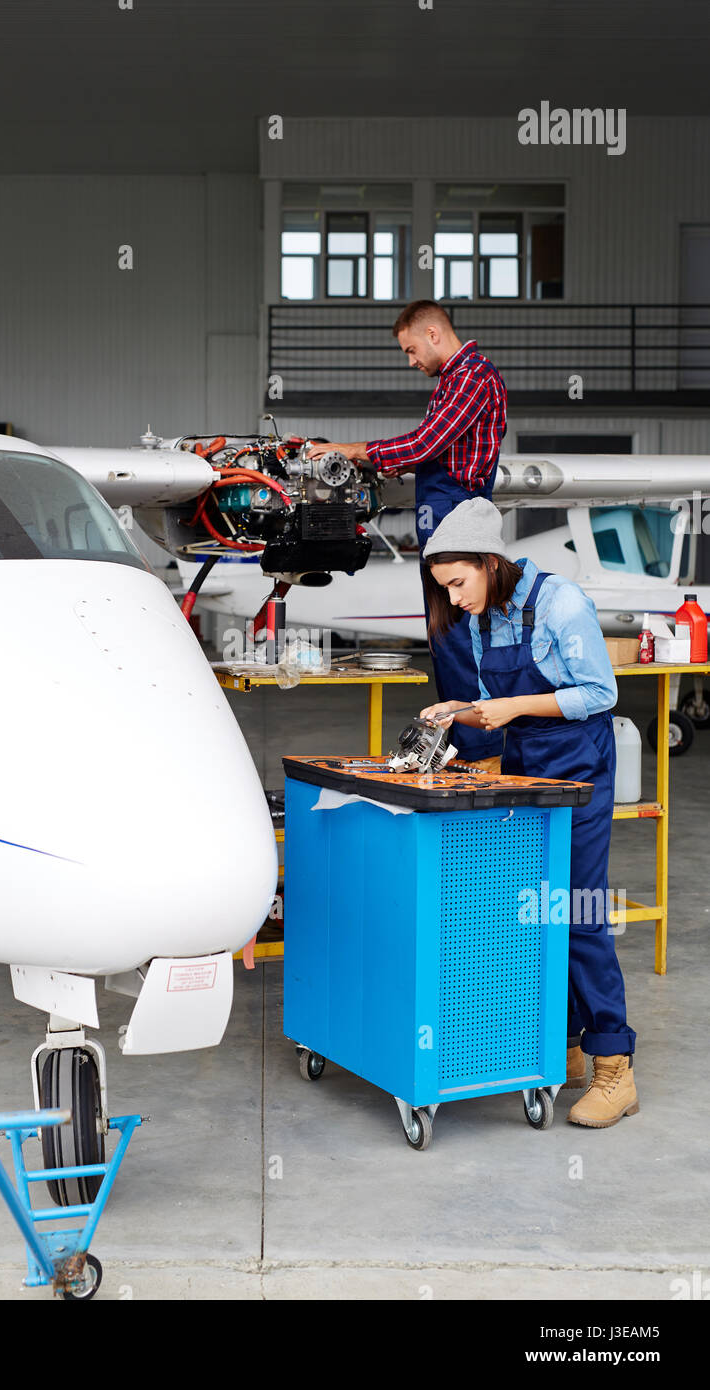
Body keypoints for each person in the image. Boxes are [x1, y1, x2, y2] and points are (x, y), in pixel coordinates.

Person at [419, 496, 638, 1128]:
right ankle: (564, 1046)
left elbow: (601, 693)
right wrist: (456, 711)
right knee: (528, 914)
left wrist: (514, 712)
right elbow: (494, 696)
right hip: (525, 770)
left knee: (580, 911)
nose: (456, 599)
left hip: (579, 771)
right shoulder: (485, 615)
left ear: (490, 562)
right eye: (446, 589)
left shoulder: (562, 603)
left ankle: (614, 1067)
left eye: (459, 583)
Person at [307, 300, 507, 763]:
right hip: (442, 519)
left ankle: (482, 749)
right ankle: (462, 740)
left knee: (461, 634)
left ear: (434, 334)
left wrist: (348, 451)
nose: (412, 361)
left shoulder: (473, 375)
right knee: (444, 633)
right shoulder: (454, 381)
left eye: (412, 350)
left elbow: (424, 444)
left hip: (457, 517)